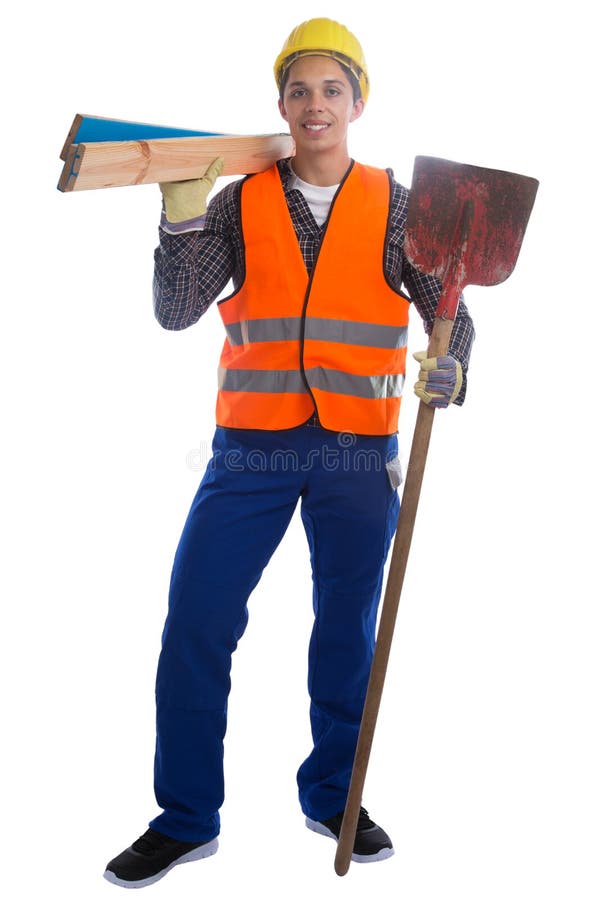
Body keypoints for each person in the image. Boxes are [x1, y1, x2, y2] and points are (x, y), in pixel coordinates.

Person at [104, 17, 475, 888]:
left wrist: (452, 366)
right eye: (299, 90)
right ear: (281, 103)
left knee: (345, 632)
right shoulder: (241, 198)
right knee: (197, 621)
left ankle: (335, 797)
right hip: (250, 451)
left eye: (331, 90)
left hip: (357, 452)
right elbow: (176, 311)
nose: (315, 105)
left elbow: (451, 310)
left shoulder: (400, 206)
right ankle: (186, 818)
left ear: (358, 102)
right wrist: (181, 219)